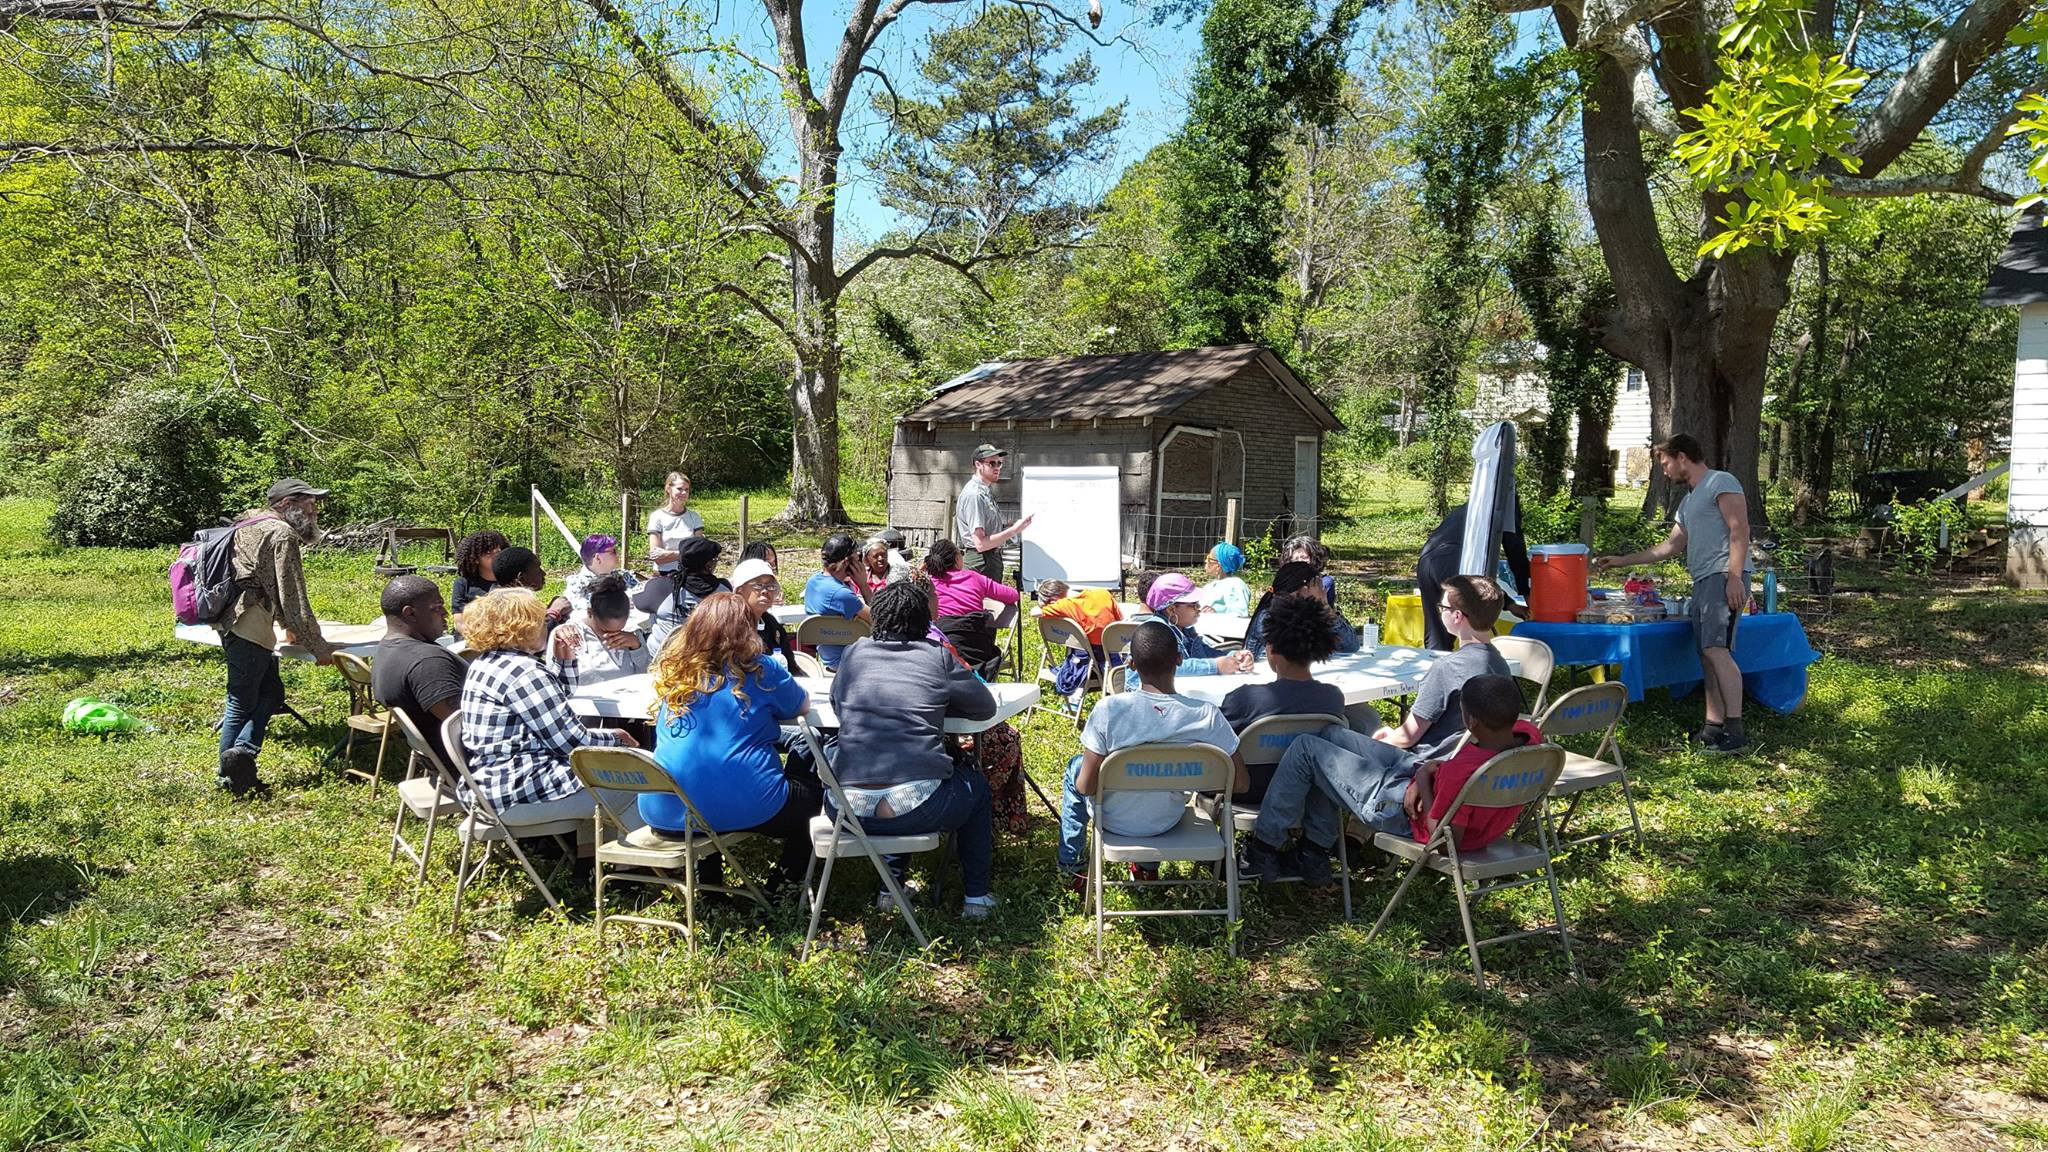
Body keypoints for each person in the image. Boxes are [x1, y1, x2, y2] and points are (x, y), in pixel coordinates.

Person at [1239, 574, 1511, 886]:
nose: (1438, 611)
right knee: (1329, 734)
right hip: (1433, 767)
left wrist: (1387, 737)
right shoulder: (1498, 665)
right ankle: (1313, 853)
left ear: (1457, 616)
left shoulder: (1449, 667)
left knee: (1306, 747)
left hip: (1417, 788)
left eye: (1441, 606)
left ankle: (1263, 849)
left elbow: (1408, 736)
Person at [829, 581, 1001, 919]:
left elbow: (837, 704)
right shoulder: (936, 656)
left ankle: (890, 889)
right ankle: (976, 897)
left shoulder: (853, 653)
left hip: (845, 810)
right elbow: (984, 708)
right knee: (976, 787)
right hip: (917, 807)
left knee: (895, 773)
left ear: (875, 618)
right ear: (927, 620)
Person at [642, 592, 818, 890]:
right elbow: (800, 706)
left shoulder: (676, 671)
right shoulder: (761, 668)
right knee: (816, 801)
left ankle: (710, 884)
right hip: (744, 805)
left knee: (703, 778)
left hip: (664, 809)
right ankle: (781, 886)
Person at [1056, 622, 1248, 887]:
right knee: (1157, 775)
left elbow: (1087, 786)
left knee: (1075, 769)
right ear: (1180, 660)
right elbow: (1240, 783)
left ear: (1131, 664)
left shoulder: (1108, 710)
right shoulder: (1207, 715)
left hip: (1111, 819)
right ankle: (1146, 869)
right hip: (1165, 820)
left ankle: (1073, 868)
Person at [1595, 433, 1753, 752]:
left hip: (1723, 576)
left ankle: (1736, 732)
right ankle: (1713, 726)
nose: (1664, 470)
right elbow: (1670, 546)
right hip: (1703, 581)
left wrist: (1735, 577)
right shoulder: (1688, 501)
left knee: (1717, 651)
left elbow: (1740, 529)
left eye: (1665, 463)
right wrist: (1621, 562)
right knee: (1706, 654)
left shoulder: (1721, 481)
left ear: (1682, 457)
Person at [456, 588, 633, 814]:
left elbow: (553, 700)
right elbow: (570, 743)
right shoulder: (525, 672)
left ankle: (587, 848)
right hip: (521, 787)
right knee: (636, 779)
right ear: (524, 627)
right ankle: (629, 847)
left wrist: (564, 656)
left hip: (488, 783)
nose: (545, 627)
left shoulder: (486, 662)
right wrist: (617, 738)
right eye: (540, 621)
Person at [214, 477, 337, 797]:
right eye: (308, 504)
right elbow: (292, 594)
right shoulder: (281, 534)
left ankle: (241, 753)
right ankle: (231, 780)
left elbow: (265, 581)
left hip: (233, 618)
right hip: (249, 623)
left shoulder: (249, 521)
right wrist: (318, 646)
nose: (314, 511)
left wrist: (288, 627)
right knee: (241, 701)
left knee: (270, 694)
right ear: (285, 505)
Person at [1219, 595, 1345, 805]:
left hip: (1246, 793)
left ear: (1271, 648)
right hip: (1307, 792)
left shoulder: (1244, 699)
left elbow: (1216, 745)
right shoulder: (1333, 699)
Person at [1402, 675, 1543, 851]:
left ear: (1471, 720)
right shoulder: (1532, 738)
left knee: (1359, 755)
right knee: (1383, 755)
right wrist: (1433, 769)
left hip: (1415, 816)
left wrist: (1423, 779)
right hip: (1488, 828)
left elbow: (1446, 845)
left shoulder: (1459, 773)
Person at [371, 574, 467, 769]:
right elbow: (463, 725)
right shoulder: (428, 663)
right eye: (437, 608)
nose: (446, 614)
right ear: (411, 613)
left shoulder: (386, 650)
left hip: (438, 766)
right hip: (472, 770)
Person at [1416, 503, 1530, 651]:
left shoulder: (1479, 499)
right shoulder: (1505, 505)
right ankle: (1472, 667)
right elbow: (1515, 551)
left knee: (1437, 633)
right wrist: (1522, 594)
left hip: (1427, 558)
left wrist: (1510, 602)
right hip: (1451, 560)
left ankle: (1436, 670)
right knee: (1469, 621)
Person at [1129, 572, 1253, 677]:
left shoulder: (1186, 631)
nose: (1199, 608)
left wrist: (1234, 657)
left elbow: (1206, 653)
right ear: (1171, 609)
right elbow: (1168, 667)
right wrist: (1216, 666)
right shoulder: (1155, 633)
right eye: (1193, 605)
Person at [924, 538, 1020, 670]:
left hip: (939, 651)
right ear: (957, 558)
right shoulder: (974, 578)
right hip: (976, 649)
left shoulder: (930, 584)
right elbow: (1013, 595)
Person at [545, 572, 649, 690]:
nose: (612, 635)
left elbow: (646, 676)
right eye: (604, 629)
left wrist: (637, 647)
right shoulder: (567, 634)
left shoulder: (632, 634)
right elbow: (554, 681)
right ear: (590, 612)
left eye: (620, 629)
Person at [1244, 561, 1362, 662]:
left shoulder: (1315, 612)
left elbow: (1351, 646)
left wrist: (1326, 608)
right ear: (1303, 590)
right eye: (1318, 586)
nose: (1323, 591)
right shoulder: (1268, 616)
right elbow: (1299, 655)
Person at [955, 444, 1033, 580]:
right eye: (992, 463)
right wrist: (1013, 530)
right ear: (978, 464)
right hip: (980, 563)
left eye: (999, 463)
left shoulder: (985, 491)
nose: (997, 467)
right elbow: (980, 544)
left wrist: (1006, 527)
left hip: (989, 560)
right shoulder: (974, 495)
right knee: (987, 601)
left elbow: (986, 532)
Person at [802, 533, 872, 670]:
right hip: (850, 662)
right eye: (857, 557)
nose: (860, 561)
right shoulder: (841, 595)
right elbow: (881, 620)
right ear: (847, 562)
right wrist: (864, 585)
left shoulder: (812, 582)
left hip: (826, 659)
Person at [650, 536, 728, 655]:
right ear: (709, 565)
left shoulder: (661, 587)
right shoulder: (724, 590)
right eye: (715, 559)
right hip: (707, 657)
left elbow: (639, 602)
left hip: (664, 657)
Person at [729, 557, 795, 665]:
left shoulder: (771, 623)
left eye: (770, 586)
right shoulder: (731, 624)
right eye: (758, 585)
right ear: (740, 590)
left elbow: (791, 666)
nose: (765, 591)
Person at [492, 546, 572, 630]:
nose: (543, 573)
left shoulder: (498, 600)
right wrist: (554, 612)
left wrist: (547, 611)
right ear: (521, 578)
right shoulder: (504, 611)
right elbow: (530, 638)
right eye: (537, 569)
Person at [563, 534, 640, 616]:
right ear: (598, 558)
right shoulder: (578, 585)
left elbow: (641, 594)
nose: (617, 555)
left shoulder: (624, 576)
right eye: (613, 552)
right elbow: (579, 609)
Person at [645, 470, 704, 574]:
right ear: (668, 489)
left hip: (690, 575)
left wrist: (671, 554)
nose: (684, 493)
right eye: (679, 489)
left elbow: (699, 553)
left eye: (687, 489)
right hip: (663, 575)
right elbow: (657, 557)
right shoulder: (657, 517)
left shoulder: (694, 517)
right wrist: (687, 553)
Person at [1037, 578, 1122, 645]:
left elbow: (1035, 612)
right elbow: (1120, 620)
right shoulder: (1103, 593)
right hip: (1115, 647)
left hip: (1089, 652)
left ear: (1053, 601)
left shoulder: (1063, 605)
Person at [451, 529, 510, 617]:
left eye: (498, 552)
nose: (496, 556)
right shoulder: (463, 583)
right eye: (489, 553)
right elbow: (459, 619)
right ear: (475, 559)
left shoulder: (512, 581)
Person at [1196, 542, 1252, 617]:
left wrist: (1216, 615)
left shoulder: (1236, 585)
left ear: (1218, 565)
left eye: (1209, 559)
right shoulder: (1209, 586)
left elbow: (1240, 615)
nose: (1206, 561)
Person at [1282, 534, 1337, 605]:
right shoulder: (1284, 582)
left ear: (1315, 559)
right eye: (1295, 559)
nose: (1300, 562)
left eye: (1304, 557)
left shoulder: (1325, 582)